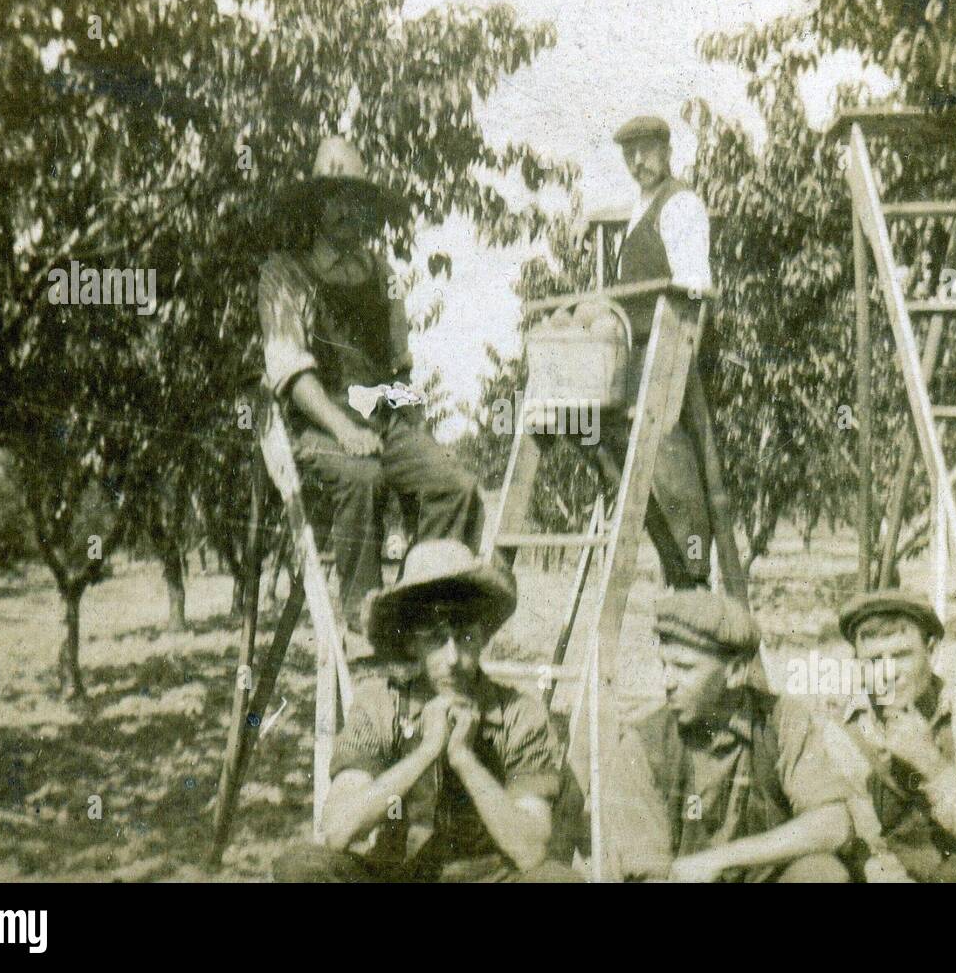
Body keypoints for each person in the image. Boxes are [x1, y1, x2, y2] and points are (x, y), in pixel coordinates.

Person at [257, 137, 482, 632]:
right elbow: (291, 371)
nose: (344, 211)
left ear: (366, 209)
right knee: (363, 479)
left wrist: (415, 424)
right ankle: (364, 617)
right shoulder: (284, 275)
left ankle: (422, 601)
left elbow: (399, 369)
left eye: (353, 199)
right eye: (333, 198)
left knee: (456, 488)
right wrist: (343, 429)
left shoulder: (384, 276)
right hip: (317, 427)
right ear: (316, 206)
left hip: (381, 422)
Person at [272, 539, 581, 882]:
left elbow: (531, 850)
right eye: (435, 638)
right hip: (396, 875)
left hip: (487, 878)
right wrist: (426, 751)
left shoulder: (520, 714)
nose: (452, 659)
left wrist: (464, 759)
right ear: (410, 643)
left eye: (465, 638)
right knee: (301, 866)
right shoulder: (379, 704)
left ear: (483, 637)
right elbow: (336, 831)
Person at [609, 590, 857, 882]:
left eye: (684, 668)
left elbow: (834, 824)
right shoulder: (644, 745)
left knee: (822, 873)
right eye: (665, 665)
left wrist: (721, 860)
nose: (667, 682)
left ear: (736, 671)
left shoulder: (781, 721)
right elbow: (647, 869)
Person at [832, 592, 956, 882]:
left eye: (900, 655)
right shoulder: (842, 726)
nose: (888, 674)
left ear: (931, 651)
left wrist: (932, 765)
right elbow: (851, 839)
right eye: (874, 660)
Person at [599, 114, 715, 589]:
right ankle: (679, 568)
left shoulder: (680, 204)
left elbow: (695, 290)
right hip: (636, 354)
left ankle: (692, 574)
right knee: (621, 456)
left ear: (667, 151)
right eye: (630, 154)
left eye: (646, 151)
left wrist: (681, 368)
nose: (638, 161)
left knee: (671, 464)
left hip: (667, 353)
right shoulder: (639, 207)